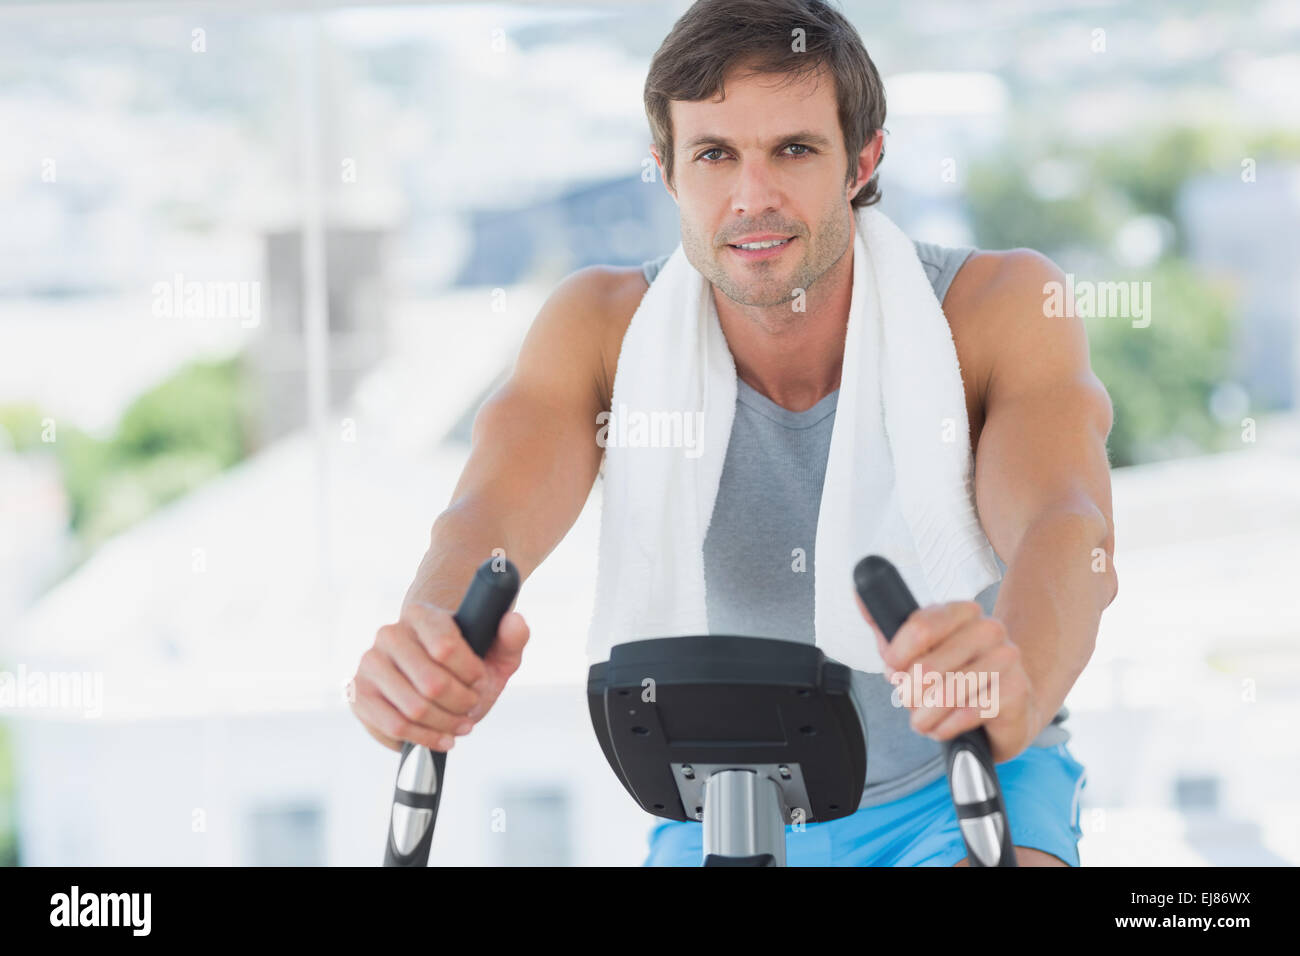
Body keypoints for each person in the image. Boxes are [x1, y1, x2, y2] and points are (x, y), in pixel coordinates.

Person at [350, 0, 1117, 867]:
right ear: (667, 171)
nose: (753, 197)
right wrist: (431, 644)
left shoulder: (999, 307)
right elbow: (483, 521)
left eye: (794, 149)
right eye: (715, 155)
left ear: (863, 160)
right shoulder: (600, 329)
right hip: (724, 794)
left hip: (963, 776)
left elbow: (1067, 527)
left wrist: (1013, 670)